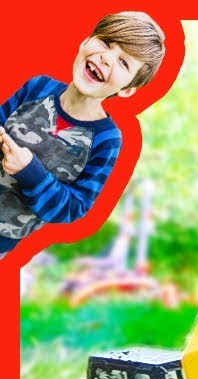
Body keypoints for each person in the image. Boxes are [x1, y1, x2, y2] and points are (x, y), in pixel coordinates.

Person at [0, 11, 166, 255]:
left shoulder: (107, 140)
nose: (106, 58)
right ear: (85, 40)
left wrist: (30, 172)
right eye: (106, 42)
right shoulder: (38, 86)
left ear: (129, 90)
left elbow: (73, 208)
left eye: (123, 62)